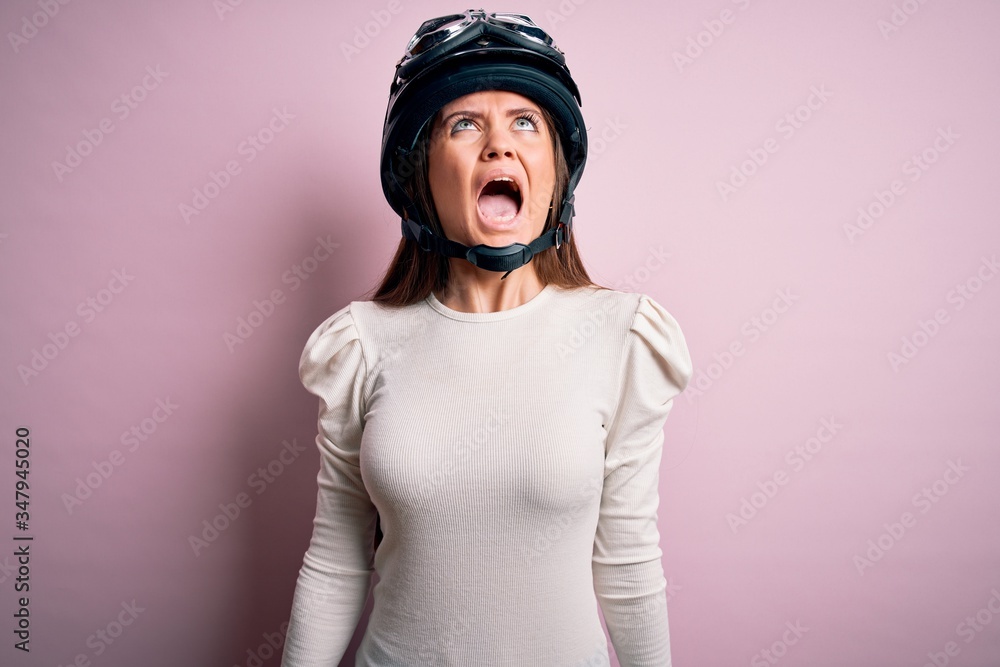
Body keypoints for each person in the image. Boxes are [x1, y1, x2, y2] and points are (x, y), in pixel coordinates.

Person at [281, 10, 692, 666]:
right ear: (421, 176)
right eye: (464, 123)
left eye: (524, 122)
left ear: (554, 173)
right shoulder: (358, 345)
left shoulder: (624, 338)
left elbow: (630, 565)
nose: (498, 145)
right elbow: (336, 564)